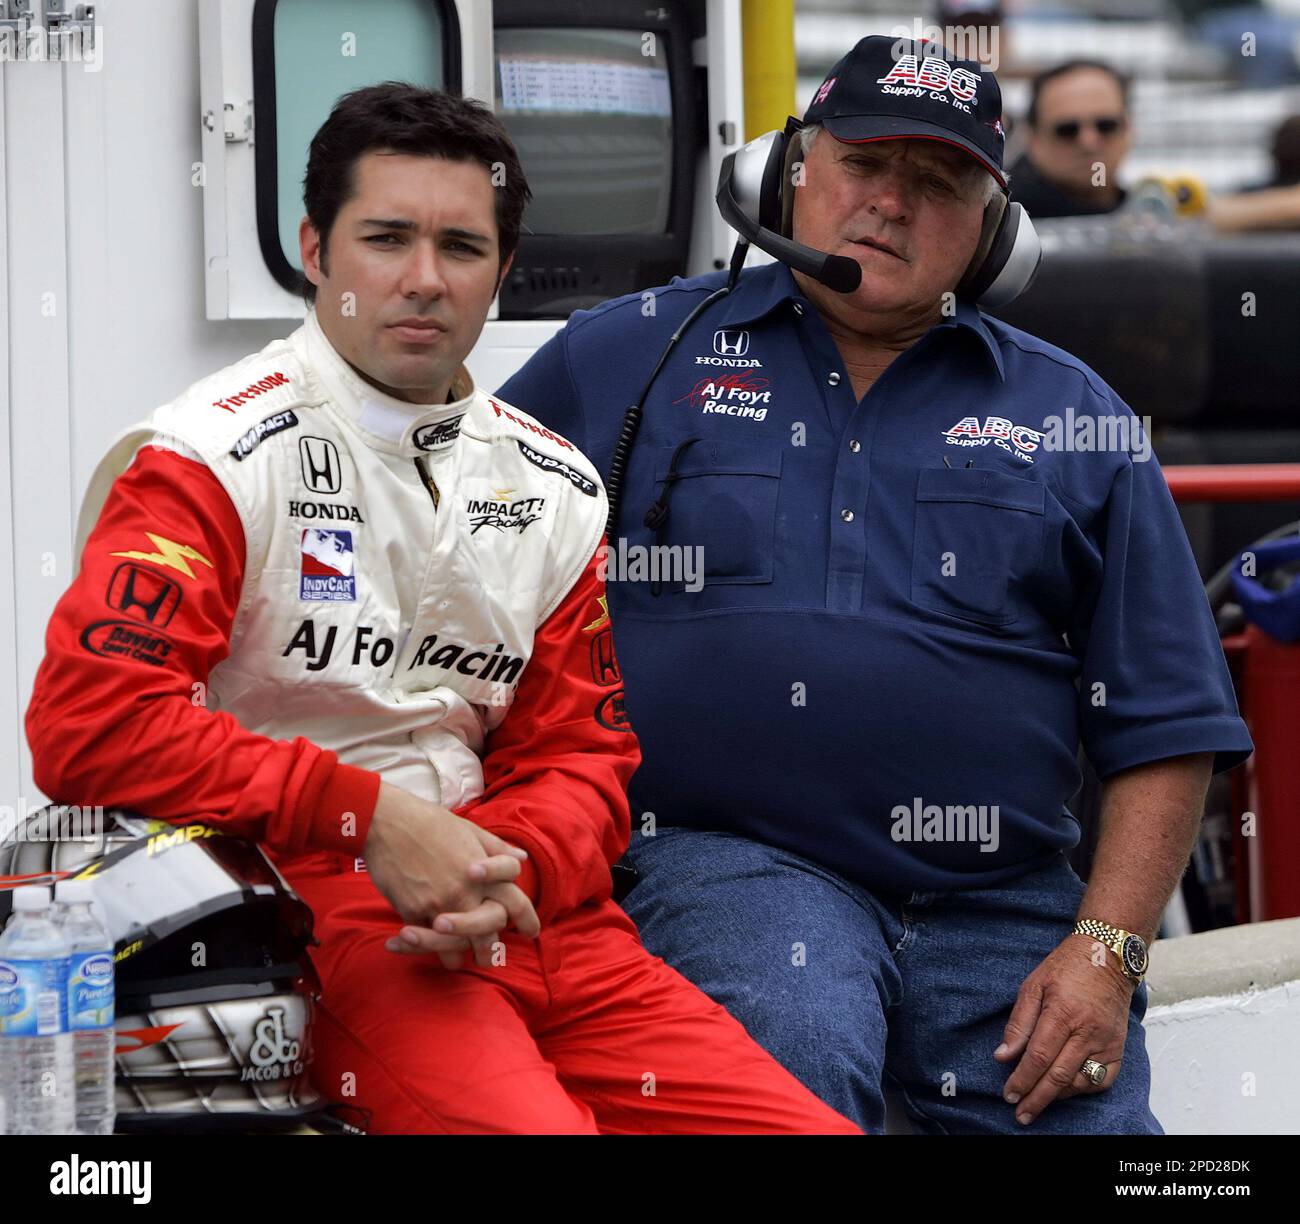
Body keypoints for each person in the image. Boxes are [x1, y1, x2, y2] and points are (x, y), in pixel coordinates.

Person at [24, 84, 859, 1136]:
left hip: (535, 914)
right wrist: (373, 822)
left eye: (461, 247)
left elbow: (581, 759)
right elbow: (91, 724)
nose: (423, 280)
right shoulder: (207, 457)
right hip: (319, 914)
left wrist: (494, 868)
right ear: (313, 250)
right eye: (385, 238)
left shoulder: (552, 484)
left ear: (503, 273)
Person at [499, 37, 1253, 1135]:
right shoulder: (627, 354)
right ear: (787, 172)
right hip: (733, 863)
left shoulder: (1074, 413)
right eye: (862, 165)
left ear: (993, 229)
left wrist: (1105, 952)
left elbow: (1169, 725)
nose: (890, 206)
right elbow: (454, 560)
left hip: (1004, 902)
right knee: (788, 1068)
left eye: (938, 184)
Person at [1008, 58, 1132, 218]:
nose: (1089, 142)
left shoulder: (1154, 211)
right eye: (1067, 130)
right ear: (1032, 139)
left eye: (1106, 126)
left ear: (1129, 128)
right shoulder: (998, 225)